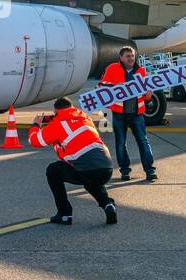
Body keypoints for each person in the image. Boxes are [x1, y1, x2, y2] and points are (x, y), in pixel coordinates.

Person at [28, 96, 118, 226]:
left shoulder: (58, 123)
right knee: (91, 178)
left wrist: (36, 125)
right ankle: (108, 205)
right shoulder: (85, 118)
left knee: (53, 170)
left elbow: (35, 140)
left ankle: (65, 214)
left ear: (56, 111)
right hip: (107, 167)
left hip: (87, 169)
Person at [97, 46, 157, 182]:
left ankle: (150, 170)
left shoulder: (140, 71)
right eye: (128, 56)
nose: (131, 58)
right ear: (121, 58)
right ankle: (125, 171)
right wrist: (116, 88)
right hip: (119, 114)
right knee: (120, 143)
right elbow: (102, 86)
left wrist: (149, 95)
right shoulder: (113, 68)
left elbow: (146, 93)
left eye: (132, 56)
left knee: (143, 142)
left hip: (137, 114)